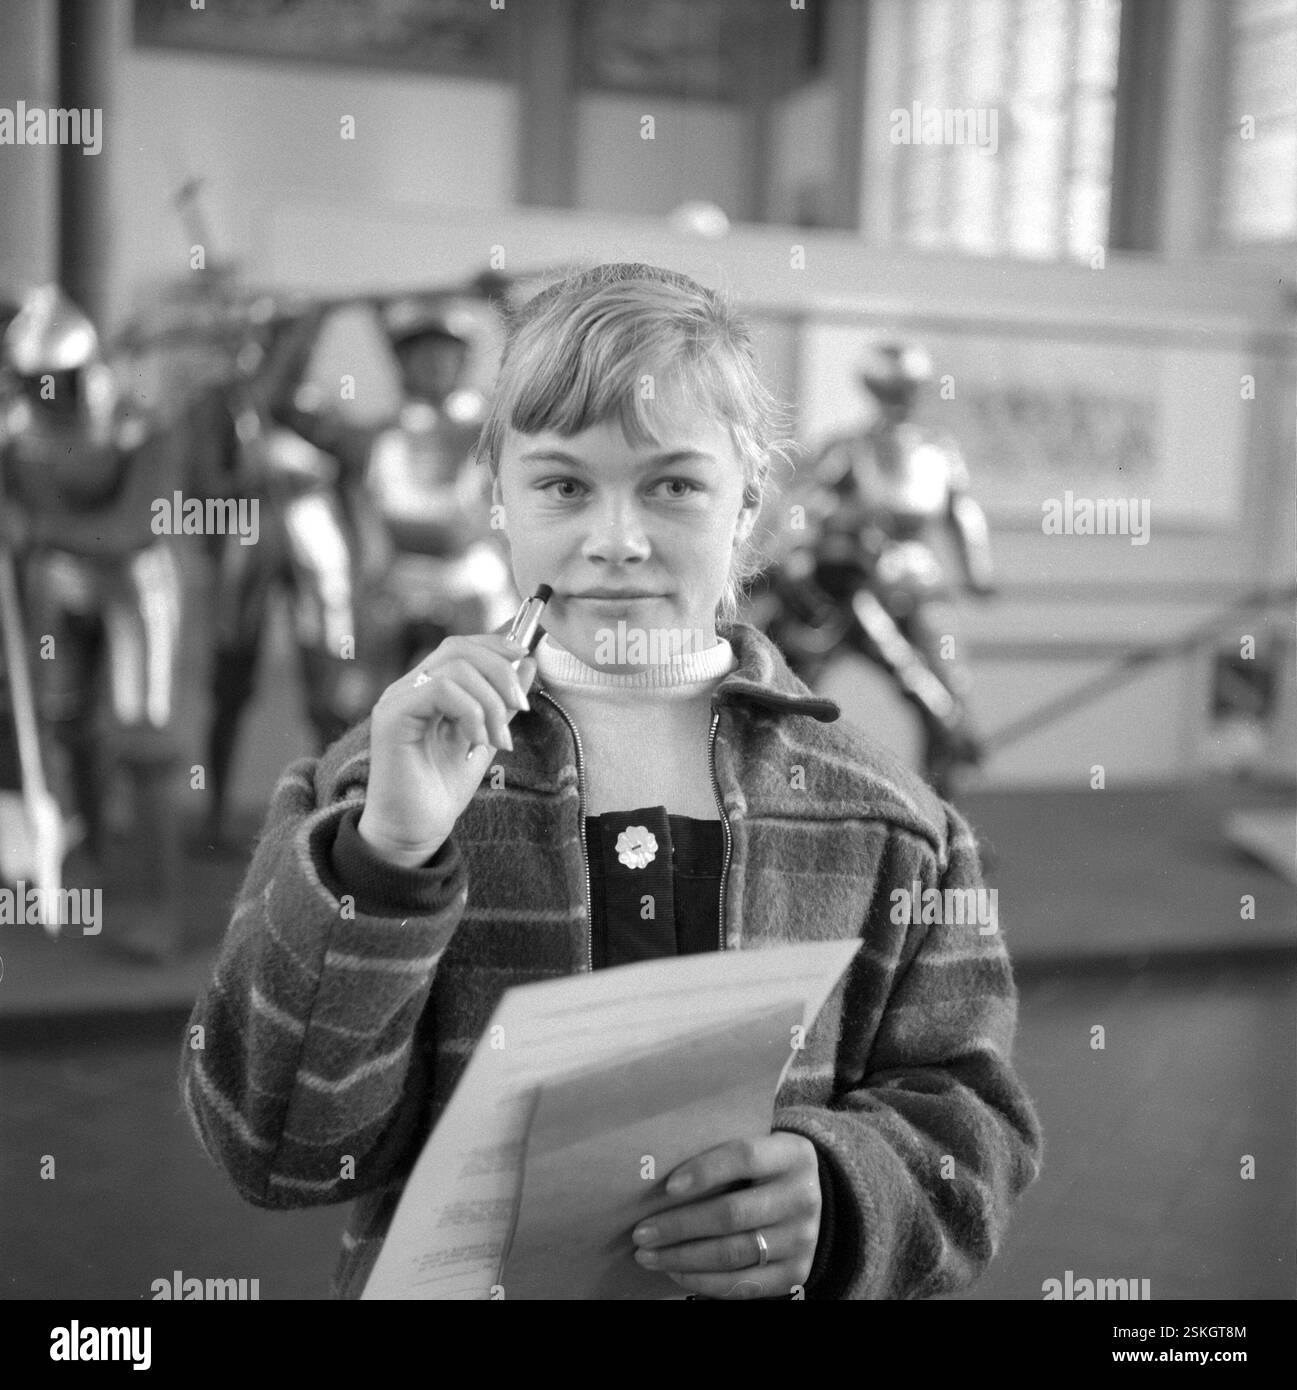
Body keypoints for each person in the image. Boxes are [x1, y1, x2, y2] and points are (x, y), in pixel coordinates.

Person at [180, 264, 1041, 1300]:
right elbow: (271, 1146)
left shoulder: (893, 822)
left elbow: (971, 1119)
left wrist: (844, 1187)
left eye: (673, 484)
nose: (617, 541)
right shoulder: (368, 785)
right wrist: (386, 862)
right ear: (498, 495)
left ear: (751, 499)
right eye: (562, 485)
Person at [0, 285, 185, 958]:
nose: (45, 394)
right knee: (65, 724)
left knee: (146, 745)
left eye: (56, 380)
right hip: (61, 589)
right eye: (33, 381)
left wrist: (36, 525)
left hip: (136, 590)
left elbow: (132, 526)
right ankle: (92, 865)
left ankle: (159, 906)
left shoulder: (140, 422)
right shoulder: (16, 431)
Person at [763, 342, 996, 797]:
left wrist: (978, 572)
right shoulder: (849, 447)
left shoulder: (938, 451)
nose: (899, 400)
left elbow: (962, 512)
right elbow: (800, 504)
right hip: (850, 590)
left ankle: (940, 813)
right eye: (891, 391)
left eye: (906, 391)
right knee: (792, 689)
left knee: (948, 694)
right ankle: (767, 796)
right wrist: (783, 557)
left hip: (916, 583)